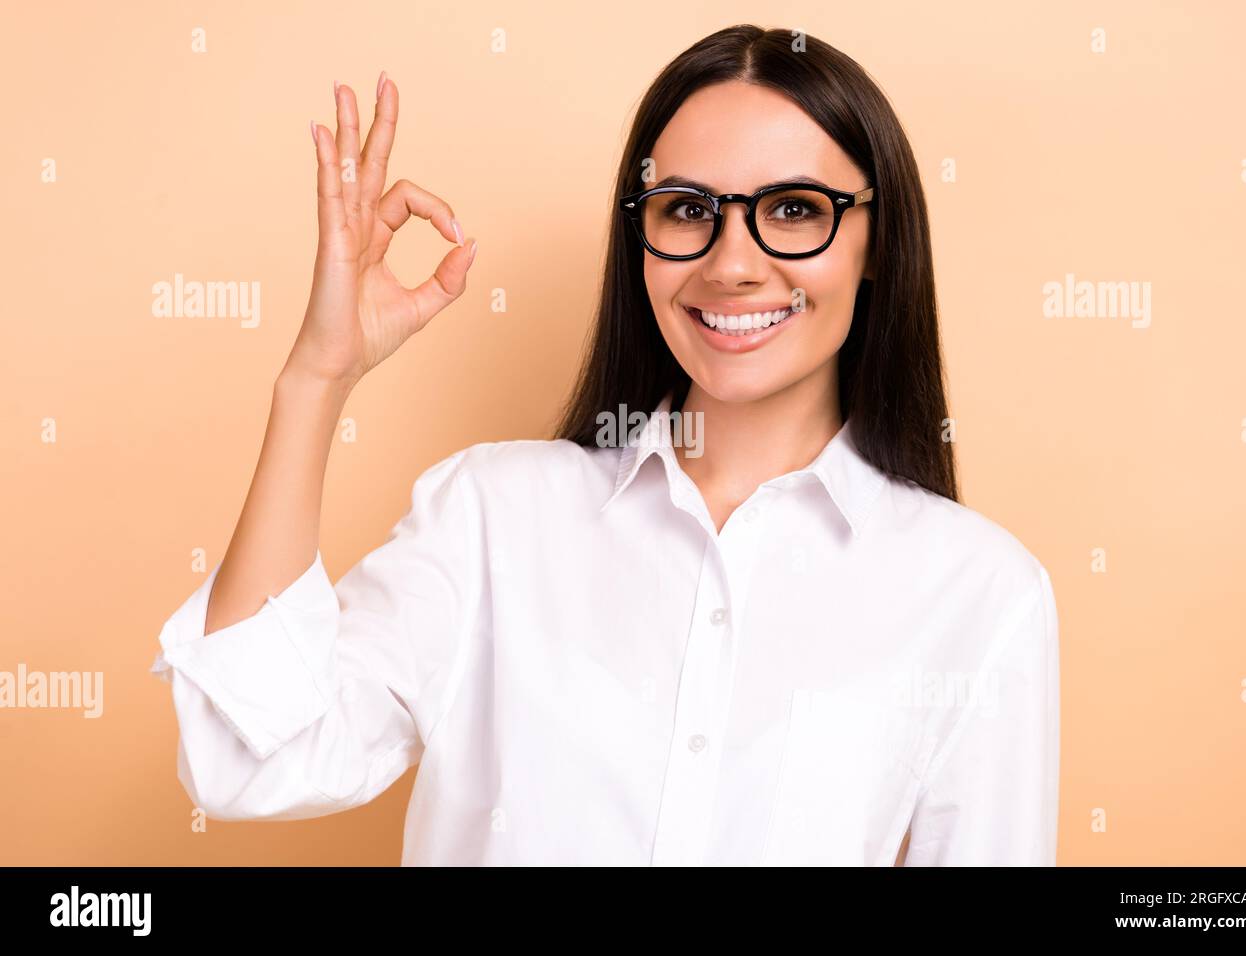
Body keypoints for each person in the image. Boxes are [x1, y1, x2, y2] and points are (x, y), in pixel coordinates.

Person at [151, 24, 1060, 866]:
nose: (732, 261)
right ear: (642, 239)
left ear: (877, 243)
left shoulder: (978, 592)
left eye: (791, 209)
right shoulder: (492, 517)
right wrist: (317, 377)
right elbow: (246, 761)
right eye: (686, 208)